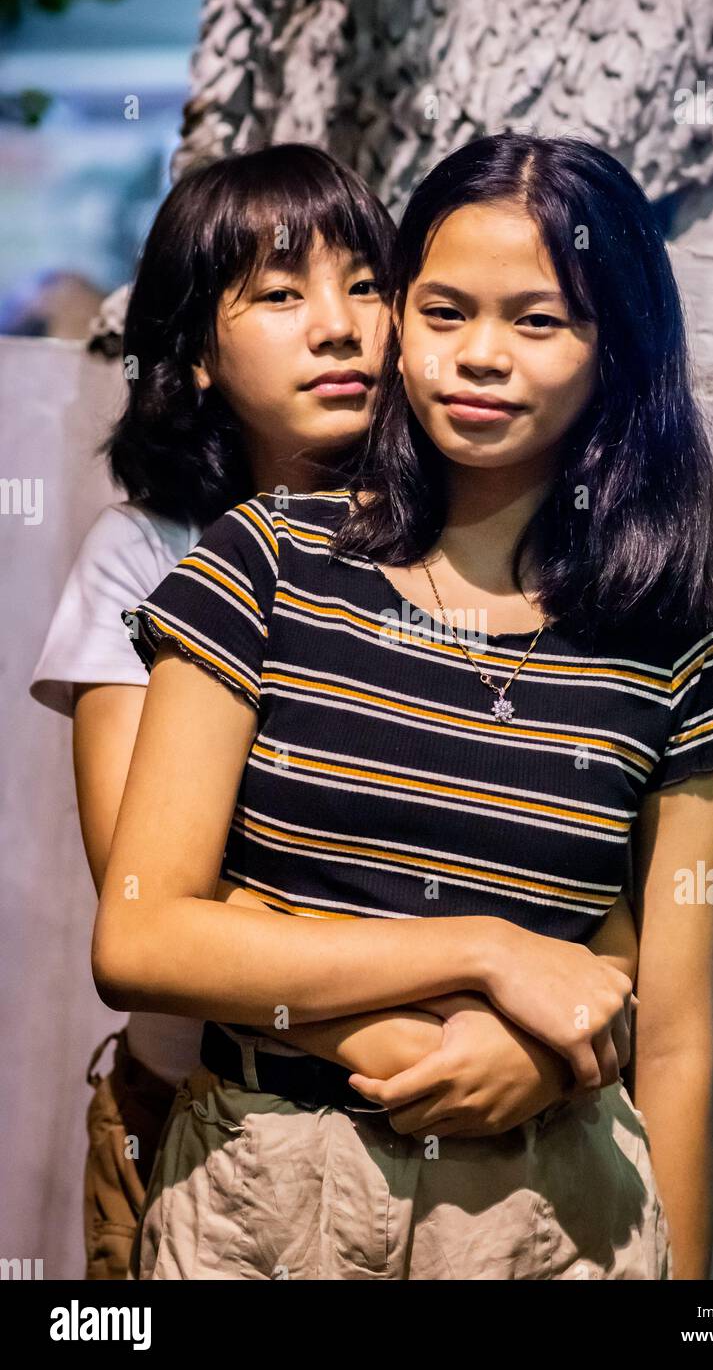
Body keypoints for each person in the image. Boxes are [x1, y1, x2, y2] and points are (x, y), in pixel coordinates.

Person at [93, 133, 713, 1280]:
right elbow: (143, 934)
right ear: (399, 327)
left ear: (617, 350)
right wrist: (487, 950)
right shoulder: (260, 561)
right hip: (270, 1195)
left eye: (538, 321)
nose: (481, 358)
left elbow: (668, 1033)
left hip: (554, 1213)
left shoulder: (674, 640)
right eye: (445, 311)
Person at [28, 141, 396, 1279]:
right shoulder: (148, 555)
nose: (337, 327)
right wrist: (413, 1028)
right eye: (280, 295)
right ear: (190, 355)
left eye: (366, 286)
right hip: (200, 1118)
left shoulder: (455, 546)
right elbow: (146, 916)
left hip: (436, 1138)